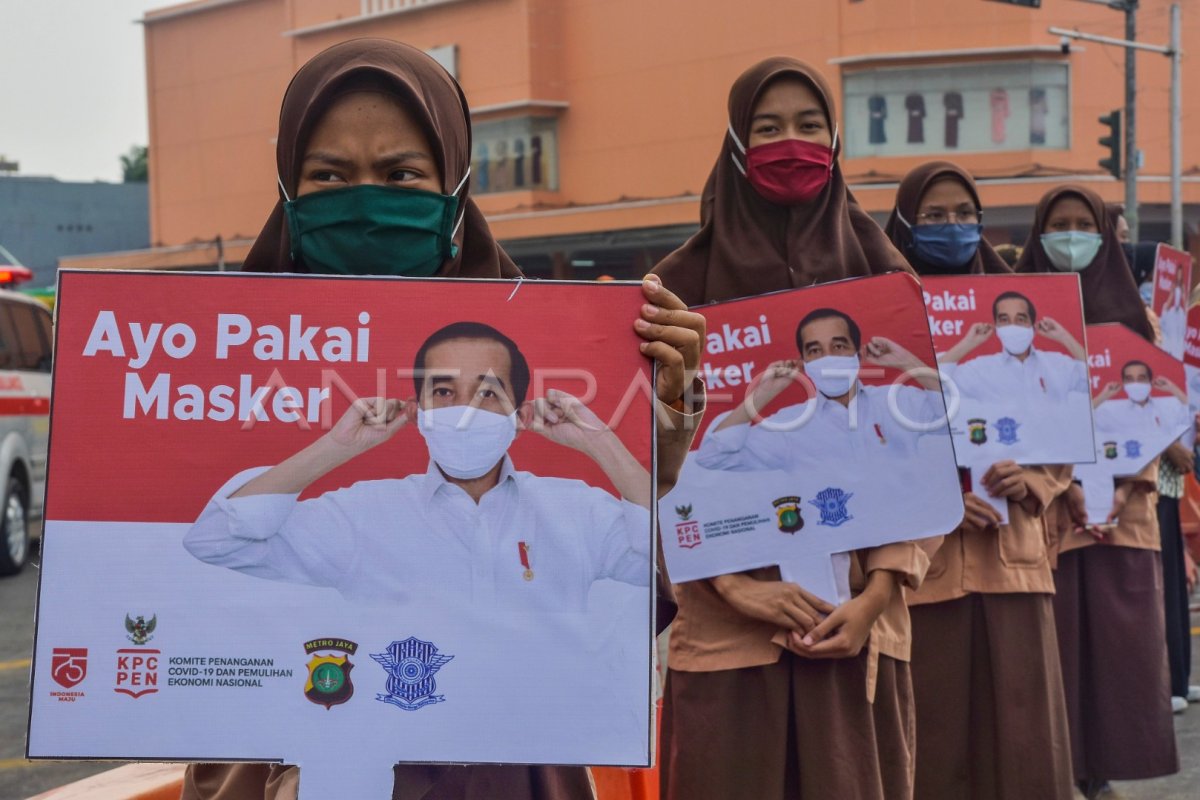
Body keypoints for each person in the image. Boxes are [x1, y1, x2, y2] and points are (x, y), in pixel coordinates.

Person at [181, 38, 707, 800]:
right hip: (296, 771)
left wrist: (651, 412)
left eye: (400, 175)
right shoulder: (216, 360)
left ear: (455, 185)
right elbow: (214, 541)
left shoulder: (566, 491)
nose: (364, 200)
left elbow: (645, 585)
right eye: (329, 175)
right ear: (288, 187)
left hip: (510, 772)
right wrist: (329, 448)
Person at [652, 57, 941, 800]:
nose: (791, 144)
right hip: (725, 640)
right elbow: (651, 468)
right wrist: (733, 587)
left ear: (836, 140)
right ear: (737, 146)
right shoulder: (676, 292)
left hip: (856, 630)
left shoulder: (883, 277)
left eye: (810, 127)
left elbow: (924, 463)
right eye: (768, 128)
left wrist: (876, 593)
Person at [184, 322, 653, 611]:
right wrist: (335, 447)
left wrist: (601, 443)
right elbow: (215, 541)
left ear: (520, 414)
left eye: (488, 392)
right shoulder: (363, 516)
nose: (465, 410)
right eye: (444, 392)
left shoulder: (576, 511)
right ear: (418, 409)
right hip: (399, 754)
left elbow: (666, 560)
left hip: (536, 753)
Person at [884, 161, 1075, 799]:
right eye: (934, 217)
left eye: (965, 215)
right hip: (923, 571)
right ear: (905, 226)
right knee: (934, 744)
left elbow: (1062, 424)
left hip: (1014, 558)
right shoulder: (882, 316)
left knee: (1023, 738)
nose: (953, 228)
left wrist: (1037, 482)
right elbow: (868, 438)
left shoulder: (1018, 312)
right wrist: (937, 496)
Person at [1016, 184, 1178, 798]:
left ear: (1106, 232)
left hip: (1122, 513)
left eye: (1085, 223)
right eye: (1058, 224)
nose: (1072, 234)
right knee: (1055, 649)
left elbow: (1157, 407)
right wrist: (1061, 489)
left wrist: (1114, 488)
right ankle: (1065, 770)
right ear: (1039, 232)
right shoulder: (1010, 311)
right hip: (1046, 513)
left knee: (1122, 652)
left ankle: (1104, 772)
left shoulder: (1141, 320)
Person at [697, 307, 945, 468]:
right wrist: (762, 395)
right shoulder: (789, 426)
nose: (828, 357)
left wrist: (907, 362)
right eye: (815, 350)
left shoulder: (898, 402)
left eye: (838, 346)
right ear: (804, 362)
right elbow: (712, 457)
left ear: (857, 353)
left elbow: (952, 418)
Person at [938, 290, 1088, 408]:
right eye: (1004, 320)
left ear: (1033, 326)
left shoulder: (1058, 363)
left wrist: (1064, 337)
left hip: (1055, 445)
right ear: (996, 327)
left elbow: (1091, 381)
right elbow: (936, 384)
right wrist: (968, 343)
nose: (1012, 326)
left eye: (1020, 319)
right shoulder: (980, 369)